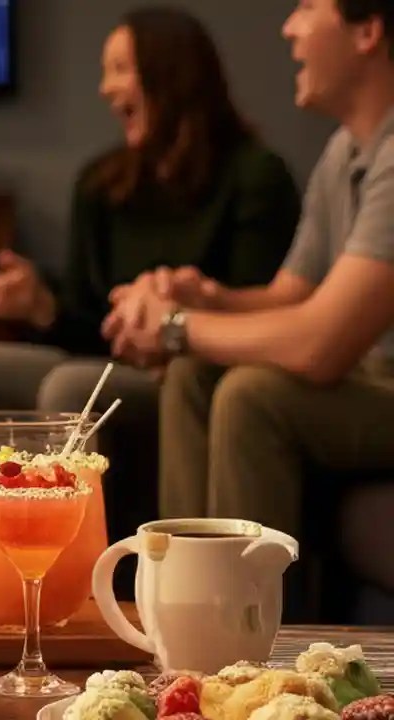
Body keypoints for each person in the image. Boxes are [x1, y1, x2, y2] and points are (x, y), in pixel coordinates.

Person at [0, 5, 299, 456]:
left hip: (192, 372)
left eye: (119, 69)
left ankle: (78, 528)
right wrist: (42, 304)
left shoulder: (256, 176)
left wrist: (176, 317)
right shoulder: (101, 184)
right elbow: (88, 322)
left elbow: (264, 312)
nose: (105, 88)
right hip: (106, 364)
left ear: (170, 76)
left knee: (71, 388)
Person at [105, 0, 394, 546]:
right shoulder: (345, 152)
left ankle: (248, 621)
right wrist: (204, 295)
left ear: (368, 32)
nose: (288, 28)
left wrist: (174, 325)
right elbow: (290, 297)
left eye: (307, 7)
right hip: (367, 378)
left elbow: (321, 343)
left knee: (251, 396)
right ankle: (184, 602)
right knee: (193, 373)